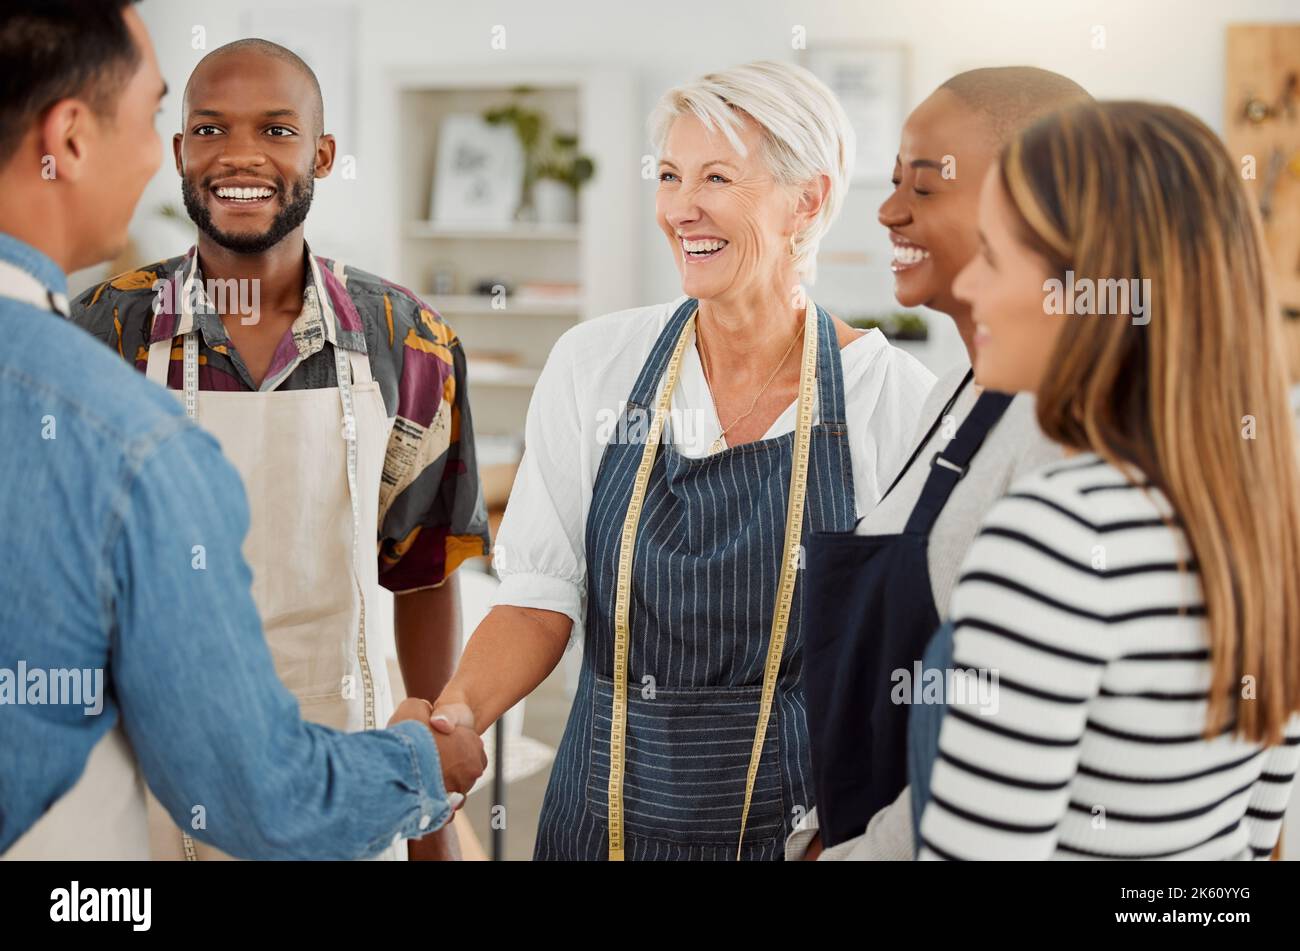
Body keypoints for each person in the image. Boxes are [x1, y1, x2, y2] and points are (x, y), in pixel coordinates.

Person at [0, 0, 484, 861]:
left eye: (278, 129)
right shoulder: (100, 329)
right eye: (205, 128)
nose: (240, 155)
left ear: (323, 155)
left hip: (347, 766)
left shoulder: (407, 339)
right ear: (180, 151)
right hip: (146, 783)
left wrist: (427, 810)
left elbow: (420, 570)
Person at [429, 60, 935, 861]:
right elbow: (538, 594)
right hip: (596, 828)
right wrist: (454, 714)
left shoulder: (894, 401)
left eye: (716, 178)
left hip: (797, 836)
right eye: (668, 175)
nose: (679, 208)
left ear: (807, 200)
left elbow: (901, 668)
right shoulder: (593, 363)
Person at [919, 100, 1300, 859]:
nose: (967, 288)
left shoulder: (1054, 537)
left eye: (993, 256)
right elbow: (1256, 842)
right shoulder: (1265, 512)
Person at [790, 67, 1090, 861]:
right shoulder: (955, 391)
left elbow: (1007, 742)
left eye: (924, 189)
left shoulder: (1063, 433)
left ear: (1034, 204)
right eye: (892, 183)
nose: (888, 211)